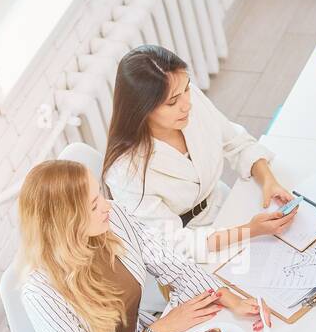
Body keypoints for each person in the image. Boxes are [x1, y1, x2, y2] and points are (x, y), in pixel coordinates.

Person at [18, 159, 262, 332]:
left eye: (100, 194)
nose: (107, 206)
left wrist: (228, 298)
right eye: (94, 205)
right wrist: (161, 329)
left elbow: (174, 264)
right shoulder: (40, 293)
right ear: (66, 223)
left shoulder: (113, 218)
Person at [103, 45, 297, 262]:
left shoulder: (188, 98)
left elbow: (236, 142)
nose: (186, 104)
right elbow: (176, 243)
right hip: (191, 250)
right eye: (172, 102)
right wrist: (250, 230)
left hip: (225, 206)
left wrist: (268, 180)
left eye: (186, 88)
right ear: (142, 109)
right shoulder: (125, 172)